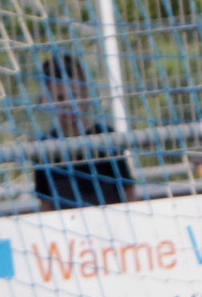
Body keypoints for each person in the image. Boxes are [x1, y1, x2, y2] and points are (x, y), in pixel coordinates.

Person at [32, 53, 135, 210]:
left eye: (74, 96)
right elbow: (46, 203)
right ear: (48, 101)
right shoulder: (45, 147)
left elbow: (128, 191)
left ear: (86, 93)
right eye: (60, 98)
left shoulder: (106, 138)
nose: (69, 104)